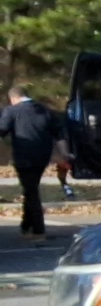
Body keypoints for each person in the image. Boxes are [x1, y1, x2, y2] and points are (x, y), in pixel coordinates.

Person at [0, 84, 65, 240]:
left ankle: (38, 229)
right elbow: (59, 133)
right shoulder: (45, 110)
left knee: (32, 192)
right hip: (42, 156)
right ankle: (26, 226)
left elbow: (2, 130)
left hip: (24, 156)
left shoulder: (12, 111)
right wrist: (64, 153)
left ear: (13, 98)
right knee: (30, 189)